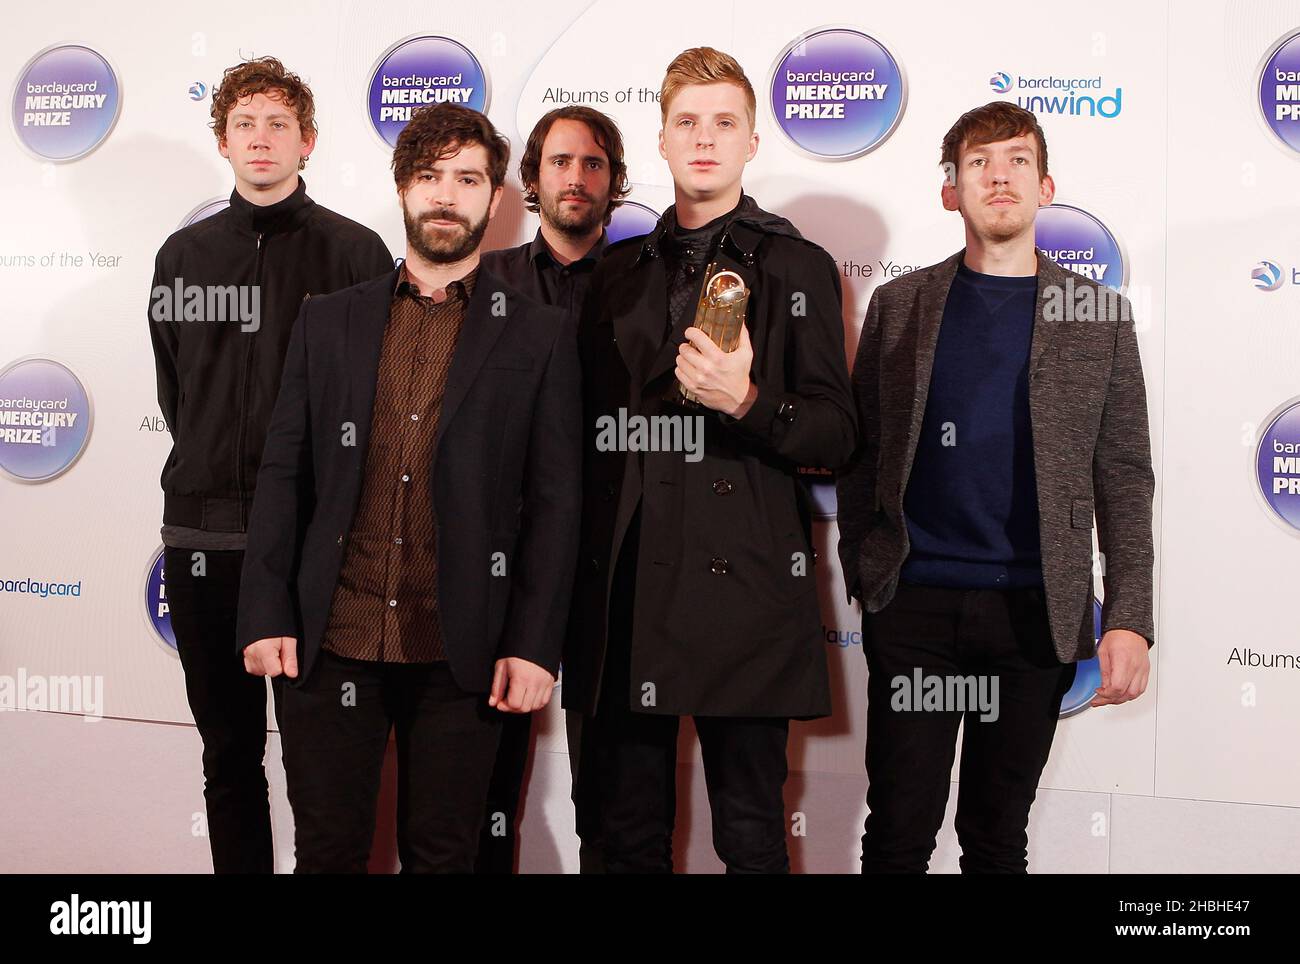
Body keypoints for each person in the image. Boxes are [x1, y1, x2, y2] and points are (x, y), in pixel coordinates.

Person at [236, 103, 582, 873]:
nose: (446, 196)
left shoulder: (538, 334)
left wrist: (533, 645)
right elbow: (284, 475)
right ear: (402, 188)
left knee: (445, 855)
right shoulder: (328, 321)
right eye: (429, 176)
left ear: (495, 199)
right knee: (327, 852)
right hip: (328, 644)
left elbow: (557, 505)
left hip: (465, 654)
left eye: (467, 179)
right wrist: (264, 610)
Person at [835, 101, 1155, 873]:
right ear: (952, 191)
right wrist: (868, 570)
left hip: (1032, 616)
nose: (998, 175)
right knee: (899, 830)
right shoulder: (901, 305)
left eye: (1015, 160)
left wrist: (1132, 617)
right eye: (978, 162)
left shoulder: (1098, 315)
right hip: (914, 611)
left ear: (1046, 187)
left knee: (996, 834)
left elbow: (1123, 472)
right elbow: (863, 450)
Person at [563, 47, 856, 873]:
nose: (704, 139)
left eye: (724, 123)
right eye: (687, 122)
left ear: (752, 143)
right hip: (629, 588)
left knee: (751, 833)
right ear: (660, 139)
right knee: (623, 834)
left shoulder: (797, 266)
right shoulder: (616, 271)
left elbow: (838, 435)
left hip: (746, 591)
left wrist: (747, 402)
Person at [147, 56, 391, 874]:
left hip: (313, 553)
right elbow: (178, 392)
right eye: (245, 123)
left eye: (278, 123)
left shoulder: (356, 255)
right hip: (203, 542)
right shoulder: (180, 257)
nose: (261, 138)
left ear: (308, 141)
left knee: (321, 768)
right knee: (228, 758)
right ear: (223, 141)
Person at [477, 105, 628, 874]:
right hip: (504, 565)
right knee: (485, 795)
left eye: (594, 164)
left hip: (613, 566)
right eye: (561, 162)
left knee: (611, 798)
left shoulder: (646, 287)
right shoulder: (486, 283)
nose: (577, 177)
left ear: (615, 182)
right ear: (532, 179)